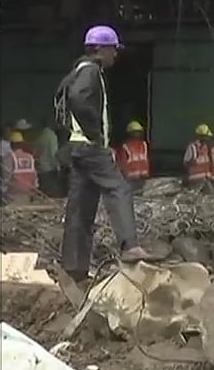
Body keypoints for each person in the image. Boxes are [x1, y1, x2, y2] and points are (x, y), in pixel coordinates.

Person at [60, 25, 151, 282]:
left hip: (77, 147)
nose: (115, 55)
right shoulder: (90, 71)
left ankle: (74, 267)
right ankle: (130, 245)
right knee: (119, 189)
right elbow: (78, 99)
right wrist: (96, 135)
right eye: (114, 49)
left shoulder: (79, 69)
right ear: (101, 49)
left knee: (81, 208)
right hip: (90, 148)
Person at [31, 118, 61, 197]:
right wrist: (57, 167)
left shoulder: (38, 135)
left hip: (39, 169)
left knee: (42, 194)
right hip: (49, 170)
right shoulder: (51, 136)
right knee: (50, 195)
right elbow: (54, 153)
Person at [116, 121, 150, 192]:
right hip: (131, 180)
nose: (138, 134)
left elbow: (146, 159)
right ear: (130, 133)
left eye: (139, 132)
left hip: (142, 178)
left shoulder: (144, 145)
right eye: (135, 132)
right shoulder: (125, 147)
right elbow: (122, 164)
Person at [6, 130, 38, 205]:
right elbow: (34, 175)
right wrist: (35, 189)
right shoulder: (30, 157)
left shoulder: (10, 157)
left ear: (11, 144)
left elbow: (6, 175)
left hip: (13, 193)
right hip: (27, 192)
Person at [184, 124, 214, 189]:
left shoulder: (206, 147)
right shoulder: (192, 147)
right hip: (196, 180)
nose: (208, 138)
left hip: (206, 178)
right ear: (202, 136)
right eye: (207, 136)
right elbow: (186, 163)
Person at [0, 124, 15, 206]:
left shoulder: (8, 143)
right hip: (4, 174)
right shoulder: (1, 145)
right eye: (7, 132)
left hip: (9, 174)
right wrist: (0, 175)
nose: (9, 134)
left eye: (10, 132)